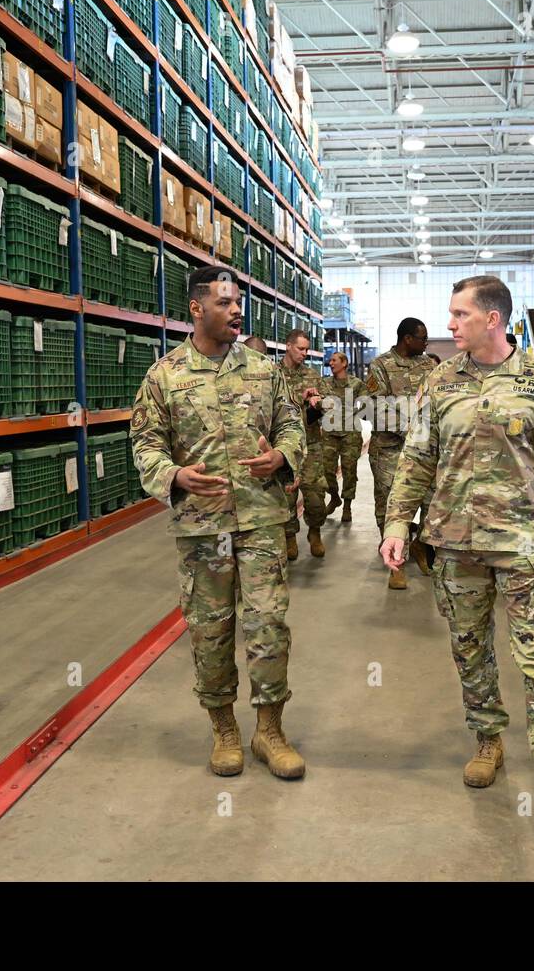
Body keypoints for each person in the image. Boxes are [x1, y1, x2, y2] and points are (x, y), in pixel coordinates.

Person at [379, 276, 534, 818]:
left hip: (522, 543)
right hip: (454, 544)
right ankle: (488, 739)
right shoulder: (442, 382)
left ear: (492, 319)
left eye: (459, 315)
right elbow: (416, 459)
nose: (449, 326)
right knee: (470, 649)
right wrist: (397, 524)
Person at [131, 266, 307, 779]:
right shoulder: (164, 376)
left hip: (260, 520)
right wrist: (175, 475)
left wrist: (281, 457)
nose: (237, 311)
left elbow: (292, 427)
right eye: (226, 302)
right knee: (210, 631)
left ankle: (269, 730)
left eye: (238, 303)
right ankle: (224, 729)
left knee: (269, 625)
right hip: (202, 528)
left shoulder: (264, 370)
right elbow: (145, 444)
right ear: (196, 308)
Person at [366, 317, 436, 589]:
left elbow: (436, 402)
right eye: (422, 338)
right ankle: (397, 562)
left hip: (425, 451)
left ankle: (420, 545)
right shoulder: (380, 366)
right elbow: (376, 409)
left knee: (432, 502)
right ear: (408, 339)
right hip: (389, 451)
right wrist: (412, 432)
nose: (426, 343)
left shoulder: (429, 365)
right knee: (390, 506)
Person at [277, 328, 330, 560]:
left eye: (307, 349)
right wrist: (301, 399)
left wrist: (317, 404)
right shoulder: (273, 374)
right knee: (286, 495)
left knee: (316, 495)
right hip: (284, 446)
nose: (304, 353)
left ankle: (315, 531)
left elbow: (327, 407)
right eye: (301, 349)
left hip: (311, 444)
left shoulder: (312, 375)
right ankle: (290, 537)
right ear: (288, 346)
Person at [318, 351, 367, 523]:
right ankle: (334, 497)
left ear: (344, 363)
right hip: (330, 434)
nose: (331, 363)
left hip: (350, 434)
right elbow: (318, 403)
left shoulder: (356, 384)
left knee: (349, 471)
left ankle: (347, 506)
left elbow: (367, 402)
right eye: (330, 360)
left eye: (334, 360)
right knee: (326, 470)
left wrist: (356, 415)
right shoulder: (324, 383)